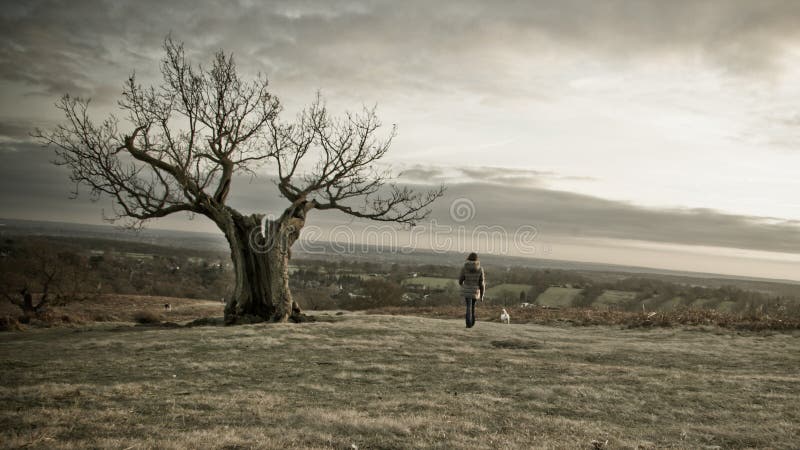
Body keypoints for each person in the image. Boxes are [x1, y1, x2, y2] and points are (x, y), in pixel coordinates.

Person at [458, 252, 485, 328]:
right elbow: (481, 283)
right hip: (475, 291)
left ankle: (468, 324)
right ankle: (472, 323)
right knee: (472, 307)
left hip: (467, 290)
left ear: (468, 258)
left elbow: (461, 279)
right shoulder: (480, 269)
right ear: (477, 259)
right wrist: (482, 295)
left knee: (468, 307)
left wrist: (462, 285)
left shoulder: (464, 267)